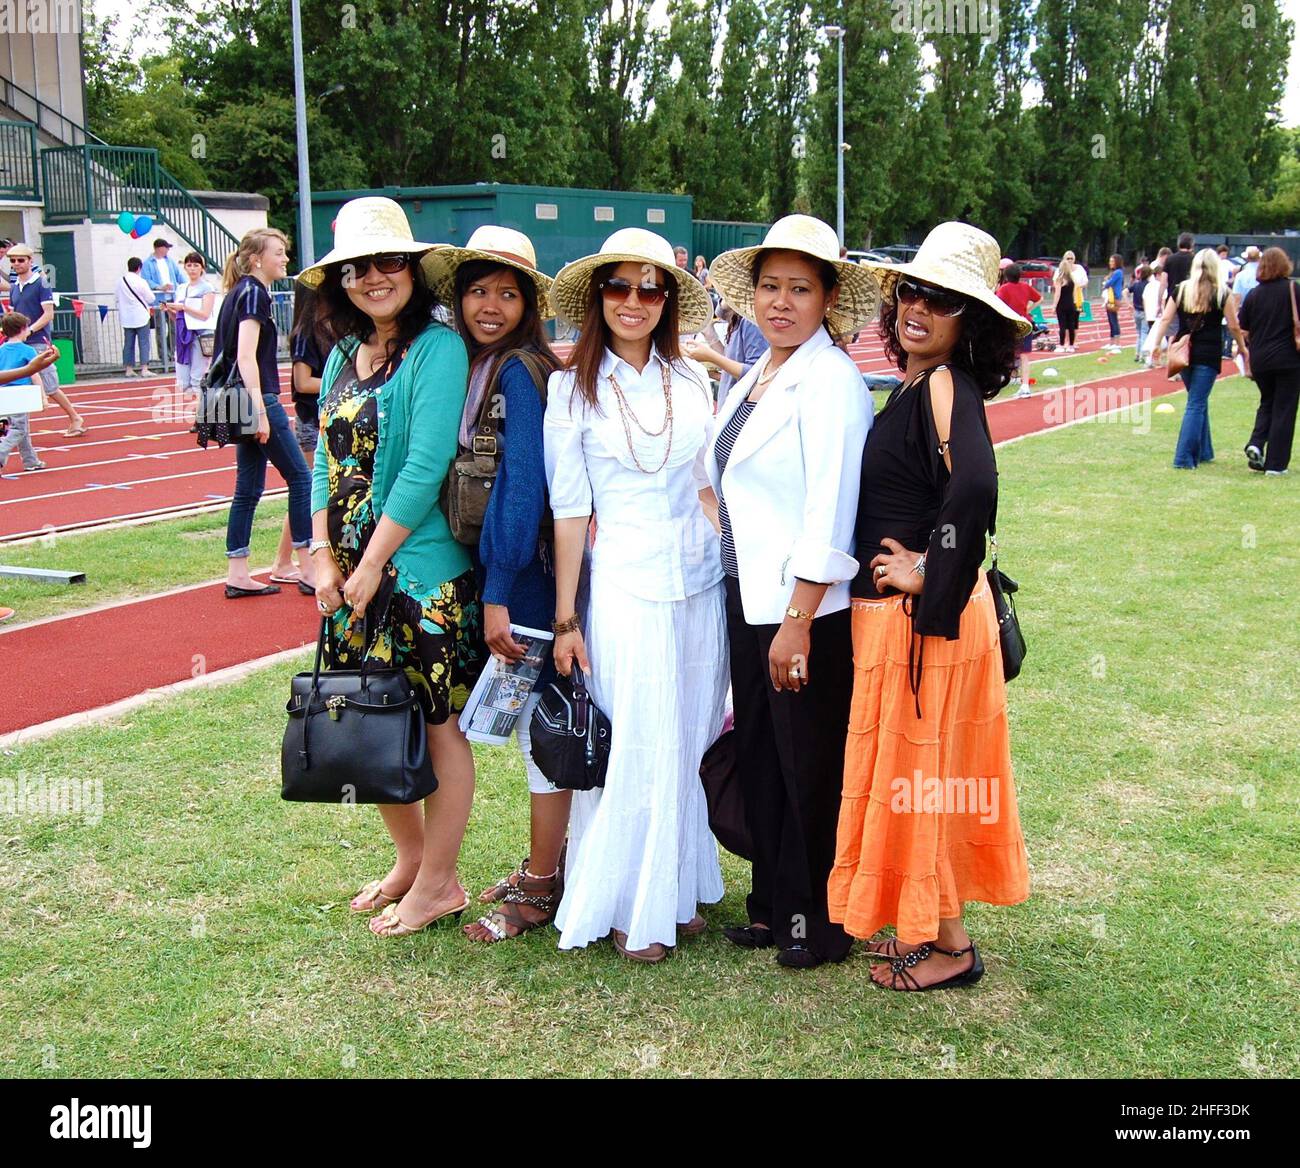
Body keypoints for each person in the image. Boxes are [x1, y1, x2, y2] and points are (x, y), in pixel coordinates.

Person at [829, 221, 1032, 991]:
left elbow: (976, 485)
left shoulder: (946, 384)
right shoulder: (918, 383)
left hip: (925, 627)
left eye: (942, 300)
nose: (918, 308)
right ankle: (924, 925)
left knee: (925, 776)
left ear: (969, 321)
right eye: (911, 291)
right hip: (901, 624)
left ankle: (950, 947)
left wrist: (928, 573)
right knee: (918, 775)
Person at [298, 196, 485, 937]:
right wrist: (320, 555)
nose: (374, 277)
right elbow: (321, 457)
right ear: (341, 280)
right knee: (370, 717)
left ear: (411, 270)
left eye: (388, 263)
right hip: (346, 575)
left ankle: (440, 882)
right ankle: (410, 863)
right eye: (358, 268)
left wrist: (373, 560)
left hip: (418, 571)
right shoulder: (344, 355)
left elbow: (425, 462)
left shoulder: (438, 349)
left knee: (438, 726)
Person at [544, 227, 723, 963]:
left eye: (651, 288)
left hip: (701, 580)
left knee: (690, 735)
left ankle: (674, 891)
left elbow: (709, 487)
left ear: (668, 301)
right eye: (619, 286)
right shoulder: (571, 388)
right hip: (624, 583)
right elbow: (569, 510)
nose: (634, 301)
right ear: (597, 298)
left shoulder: (693, 380)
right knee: (637, 744)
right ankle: (627, 903)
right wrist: (563, 619)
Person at [706, 214, 877, 970]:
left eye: (799, 289)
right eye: (770, 286)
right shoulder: (756, 372)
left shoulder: (831, 379)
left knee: (808, 766)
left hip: (800, 614)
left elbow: (829, 509)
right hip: (747, 601)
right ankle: (774, 907)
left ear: (828, 297)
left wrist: (799, 622)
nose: (781, 302)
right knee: (767, 760)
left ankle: (818, 923)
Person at [422, 225, 572, 943]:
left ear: (528, 304)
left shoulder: (518, 372)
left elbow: (522, 489)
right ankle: (545, 865)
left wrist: (499, 593)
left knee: (540, 729)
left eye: (508, 293)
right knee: (530, 726)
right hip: (511, 574)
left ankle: (542, 887)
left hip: (525, 579)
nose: (491, 303)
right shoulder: (483, 364)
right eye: (479, 289)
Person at [215, 227, 316, 598]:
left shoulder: (236, 292)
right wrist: (259, 408)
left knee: (248, 488)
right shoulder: (255, 293)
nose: (286, 258)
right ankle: (307, 567)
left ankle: (237, 571)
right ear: (257, 258)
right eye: (279, 252)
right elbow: (245, 355)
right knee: (301, 479)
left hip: (234, 398)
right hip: (255, 398)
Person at [1145, 248, 1246, 470]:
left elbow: (1165, 318)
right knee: (1196, 403)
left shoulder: (1181, 290)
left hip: (1184, 350)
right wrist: (1242, 347)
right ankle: (1183, 458)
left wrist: (1156, 345)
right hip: (1208, 352)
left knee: (1198, 400)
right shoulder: (1222, 293)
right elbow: (1233, 325)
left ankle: (1205, 451)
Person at [6, 244, 85, 437]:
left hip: (38, 341)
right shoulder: (15, 287)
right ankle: (13, 429)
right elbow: (13, 312)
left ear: (30, 261)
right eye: (13, 260)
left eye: (21, 260)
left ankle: (75, 418)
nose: (16, 264)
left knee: (49, 385)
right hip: (18, 341)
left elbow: (48, 314)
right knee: (13, 383)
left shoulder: (42, 284)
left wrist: (29, 329)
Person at [1237, 247, 1299, 476]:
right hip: (1288, 358)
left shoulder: (1254, 294)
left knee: (1267, 402)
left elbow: (1244, 328)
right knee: (1285, 407)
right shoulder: (1293, 289)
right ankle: (1276, 463)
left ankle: (1256, 441)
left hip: (1261, 358)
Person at [0, 312, 59, 471]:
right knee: (19, 429)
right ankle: (1, 453)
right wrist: (43, 397)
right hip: (21, 394)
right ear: (22, 329)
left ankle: (30, 460)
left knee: (21, 428)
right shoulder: (28, 351)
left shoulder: (1, 349)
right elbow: (35, 374)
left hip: (3, 392)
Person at [683, 301, 767, 402]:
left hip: (739, 410)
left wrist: (711, 357)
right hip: (728, 403)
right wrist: (710, 336)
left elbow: (756, 374)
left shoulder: (751, 321)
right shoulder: (737, 318)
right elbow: (731, 361)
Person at [164, 252, 218, 394]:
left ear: (202, 268)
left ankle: (203, 411)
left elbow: (205, 314)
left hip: (201, 334)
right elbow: (179, 318)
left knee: (197, 379)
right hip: (184, 335)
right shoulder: (182, 288)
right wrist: (169, 310)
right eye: (189, 265)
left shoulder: (207, 288)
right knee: (183, 382)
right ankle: (199, 407)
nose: (192, 268)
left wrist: (184, 307)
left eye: (196, 265)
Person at [994, 262, 1041, 389]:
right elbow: (1039, 298)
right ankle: (1024, 384)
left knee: (1007, 351)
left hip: (1011, 323)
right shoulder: (1025, 287)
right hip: (1025, 322)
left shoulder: (1004, 288)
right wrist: (1028, 309)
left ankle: (1010, 376)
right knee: (1024, 355)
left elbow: (996, 303)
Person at [115, 257, 156, 377]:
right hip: (141, 315)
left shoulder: (120, 281)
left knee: (128, 343)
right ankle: (144, 368)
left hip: (126, 317)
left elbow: (116, 298)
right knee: (144, 342)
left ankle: (128, 369)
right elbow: (151, 298)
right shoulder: (140, 281)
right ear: (139, 268)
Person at [1052, 251, 1080, 351]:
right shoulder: (1072, 280)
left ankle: (1061, 345)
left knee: (1062, 326)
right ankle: (1071, 346)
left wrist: (1054, 305)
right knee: (1071, 325)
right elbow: (1073, 293)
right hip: (1071, 304)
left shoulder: (1059, 279)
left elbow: (1058, 293)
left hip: (1062, 305)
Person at [1102, 254, 1125, 348]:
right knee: (1111, 320)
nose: (1110, 263)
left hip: (1114, 298)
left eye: (1112, 261)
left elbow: (1109, 283)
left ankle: (1117, 342)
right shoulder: (1115, 272)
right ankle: (1112, 342)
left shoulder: (1118, 272)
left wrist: (1105, 283)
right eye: (1110, 261)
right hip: (1111, 297)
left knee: (1113, 319)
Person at [1129, 264, 1150, 363]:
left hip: (1136, 311)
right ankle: (1143, 355)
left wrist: (1129, 304)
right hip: (1145, 311)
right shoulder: (1148, 285)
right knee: (1144, 333)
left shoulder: (1136, 284)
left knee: (1139, 334)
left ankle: (1137, 354)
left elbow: (1125, 291)